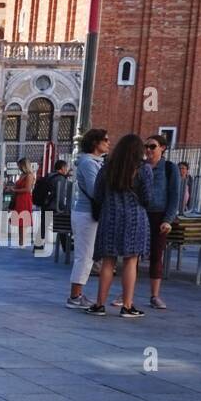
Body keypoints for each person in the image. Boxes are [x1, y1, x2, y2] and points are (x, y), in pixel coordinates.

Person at [86, 134, 152, 318]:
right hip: (134, 217)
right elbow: (147, 197)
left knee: (108, 261)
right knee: (131, 261)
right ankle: (128, 306)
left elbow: (98, 195)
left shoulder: (107, 168)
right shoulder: (143, 169)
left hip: (110, 217)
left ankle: (99, 304)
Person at [68, 129, 109, 308]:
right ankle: (75, 296)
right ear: (95, 143)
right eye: (105, 140)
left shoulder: (96, 163)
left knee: (87, 256)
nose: (108, 142)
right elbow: (95, 190)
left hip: (88, 213)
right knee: (84, 256)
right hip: (86, 213)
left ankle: (78, 293)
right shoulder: (88, 163)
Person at [143, 134, 182, 310]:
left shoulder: (169, 168)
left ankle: (154, 295)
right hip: (141, 214)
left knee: (156, 255)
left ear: (163, 148)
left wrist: (168, 219)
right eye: (147, 146)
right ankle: (125, 293)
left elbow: (175, 196)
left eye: (152, 146)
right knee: (132, 254)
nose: (148, 150)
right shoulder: (141, 167)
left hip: (159, 216)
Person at [31, 158, 68, 251]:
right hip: (55, 206)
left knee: (44, 225)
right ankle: (65, 246)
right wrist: (62, 207)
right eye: (66, 168)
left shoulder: (49, 176)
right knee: (61, 225)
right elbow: (60, 194)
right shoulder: (61, 178)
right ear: (62, 168)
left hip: (46, 204)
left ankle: (38, 245)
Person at [12, 157, 35, 246]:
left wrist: (14, 190)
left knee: (22, 221)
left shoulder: (29, 175)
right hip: (19, 198)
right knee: (19, 221)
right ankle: (20, 242)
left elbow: (28, 189)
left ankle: (22, 242)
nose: (18, 168)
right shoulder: (22, 175)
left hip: (24, 199)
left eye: (19, 166)